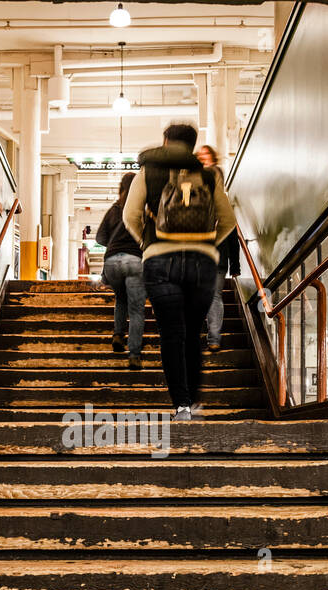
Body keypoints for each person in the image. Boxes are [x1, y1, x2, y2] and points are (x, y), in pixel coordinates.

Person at [123, 123, 237, 421]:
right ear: (193, 144)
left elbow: (130, 216)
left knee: (171, 333)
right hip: (202, 263)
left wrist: (148, 244)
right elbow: (228, 221)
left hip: (160, 261)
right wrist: (206, 242)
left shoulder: (148, 172)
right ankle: (194, 399)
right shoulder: (210, 176)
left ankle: (182, 405)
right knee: (194, 332)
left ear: (165, 141)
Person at [96, 171, 147, 369]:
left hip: (111, 263)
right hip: (134, 260)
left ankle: (118, 334)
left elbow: (100, 238)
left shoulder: (114, 209)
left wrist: (114, 243)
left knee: (121, 298)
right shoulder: (142, 207)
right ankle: (134, 354)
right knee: (136, 310)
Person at [195, 145, 241, 351]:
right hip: (217, 259)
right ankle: (214, 339)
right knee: (214, 297)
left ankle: (198, 337)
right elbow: (232, 234)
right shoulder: (223, 206)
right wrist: (235, 265)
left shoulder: (194, 205)